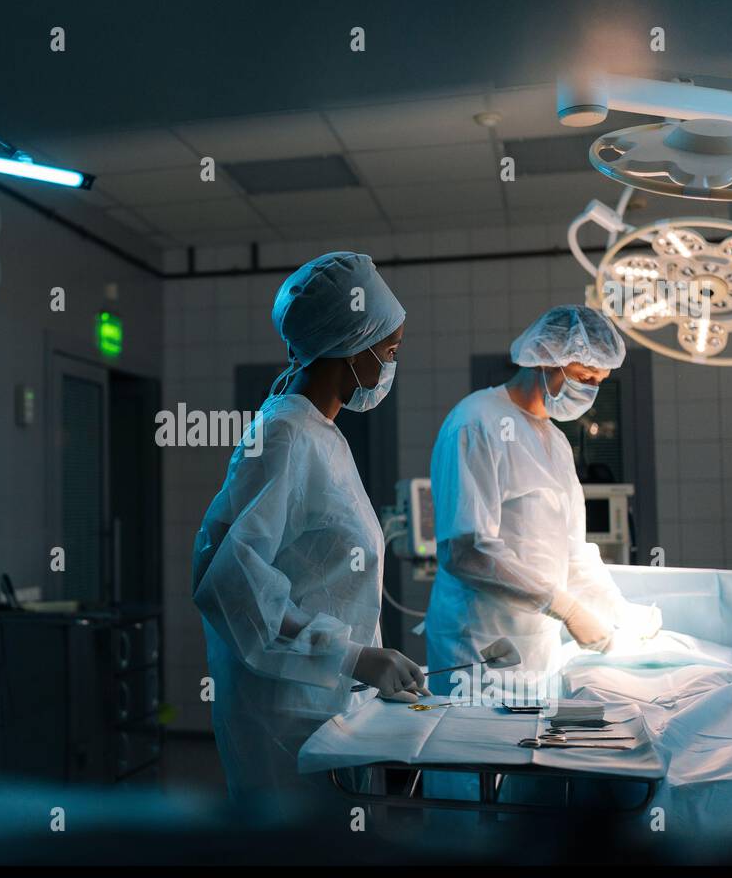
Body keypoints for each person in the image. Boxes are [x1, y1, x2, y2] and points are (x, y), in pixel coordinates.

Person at [191, 251, 422, 801]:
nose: (392, 363)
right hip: (286, 717)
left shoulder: (321, 433)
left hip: (322, 700)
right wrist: (351, 657)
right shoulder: (285, 434)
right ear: (351, 346)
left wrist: (362, 660)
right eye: (390, 350)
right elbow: (230, 584)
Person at [421, 304, 659, 696]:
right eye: (584, 377)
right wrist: (566, 608)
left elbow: (574, 554)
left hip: (537, 644)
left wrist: (620, 613)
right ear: (547, 361)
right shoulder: (475, 422)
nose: (591, 391)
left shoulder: (556, 443)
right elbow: (467, 551)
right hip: (479, 644)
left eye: (599, 381)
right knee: (475, 753)